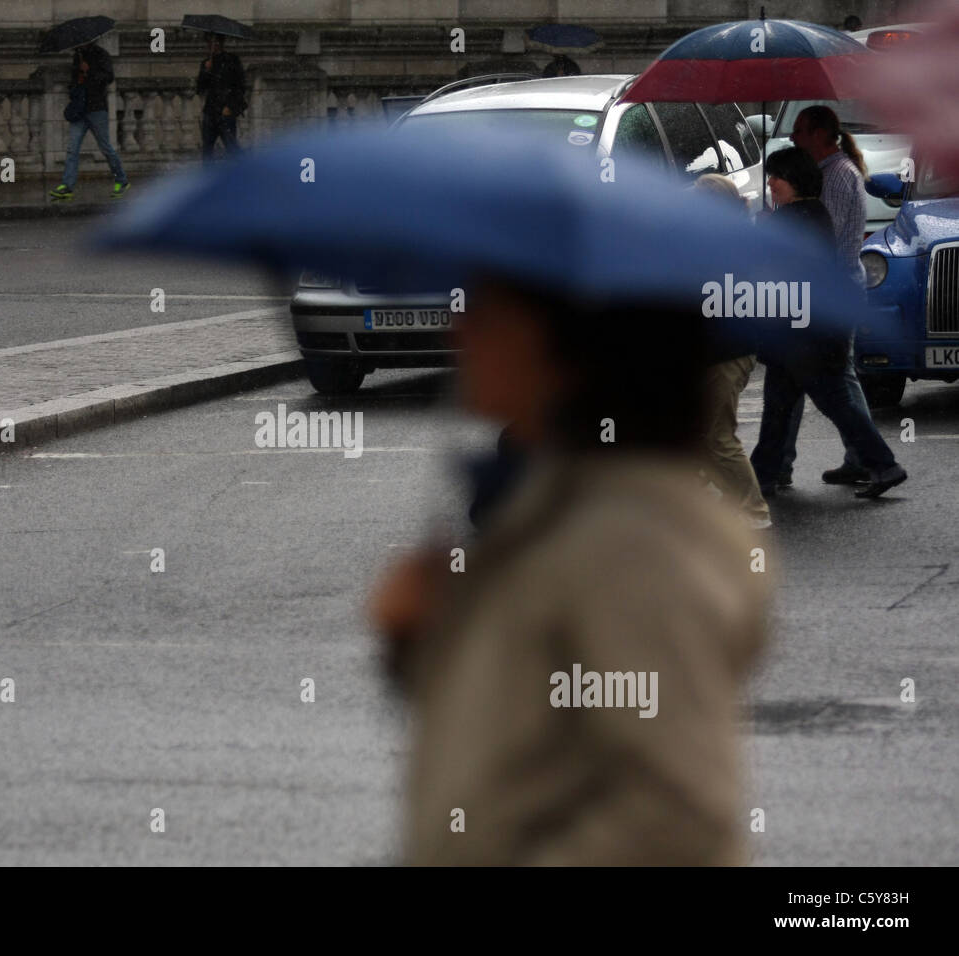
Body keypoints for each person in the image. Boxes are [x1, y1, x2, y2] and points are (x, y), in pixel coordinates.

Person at [370, 280, 769, 865]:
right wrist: (415, 642)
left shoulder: (630, 546)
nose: (460, 331)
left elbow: (679, 815)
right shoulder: (555, 499)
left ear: (566, 346)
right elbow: (526, 720)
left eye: (487, 317)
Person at [749, 145, 907, 499]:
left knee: (835, 404)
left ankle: (883, 464)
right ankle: (763, 475)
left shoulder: (795, 219)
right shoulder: (811, 213)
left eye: (777, 176)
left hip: (807, 335)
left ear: (795, 180)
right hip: (801, 333)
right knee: (779, 407)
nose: (771, 182)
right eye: (770, 175)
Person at [789, 106, 907, 495]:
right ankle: (861, 459)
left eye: (801, 131)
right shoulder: (830, 173)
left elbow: (828, 243)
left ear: (822, 134)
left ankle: (878, 461)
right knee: (838, 380)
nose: (793, 138)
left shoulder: (836, 178)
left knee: (829, 385)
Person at [691, 174, 772, 529]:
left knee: (718, 437)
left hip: (727, 352)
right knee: (702, 434)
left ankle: (753, 512)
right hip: (719, 350)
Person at [50, 43, 129, 201]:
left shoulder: (101, 54)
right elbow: (75, 81)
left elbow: (108, 77)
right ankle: (67, 186)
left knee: (106, 148)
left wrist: (89, 71)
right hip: (80, 109)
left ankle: (121, 180)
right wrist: (77, 82)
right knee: (72, 149)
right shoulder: (78, 56)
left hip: (96, 108)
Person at [196, 33, 246, 159]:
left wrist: (230, 106)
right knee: (207, 150)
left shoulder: (232, 60)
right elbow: (200, 88)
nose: (214, 45)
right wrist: (206, 71)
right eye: (211, 43)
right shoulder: (206, 63)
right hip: (211, 110)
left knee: (232, 147)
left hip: (225, 110)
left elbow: (240, 86)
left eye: (217, 42)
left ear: (221, 43)